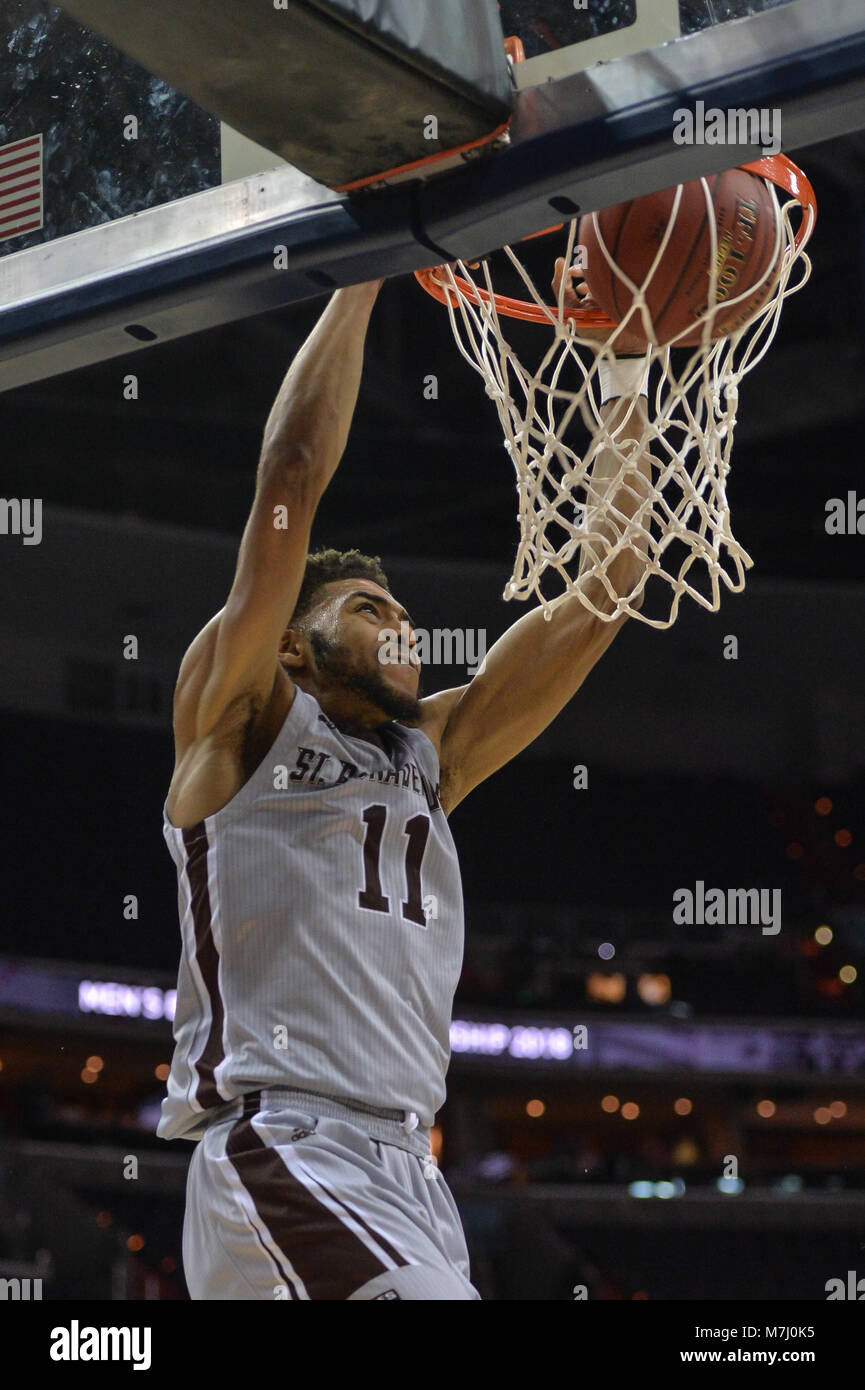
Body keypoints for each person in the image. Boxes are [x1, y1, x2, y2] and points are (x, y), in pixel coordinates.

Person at [158, 270, 652, 1300]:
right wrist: (364, 271)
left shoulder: (435, 751)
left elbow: (610, 585)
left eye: (403, 610)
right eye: (370, 606)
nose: (402, 625)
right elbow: (290, 466)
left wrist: (624, 360)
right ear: (294, 646)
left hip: (407, 1170)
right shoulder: (240, 720)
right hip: (285, 1143)